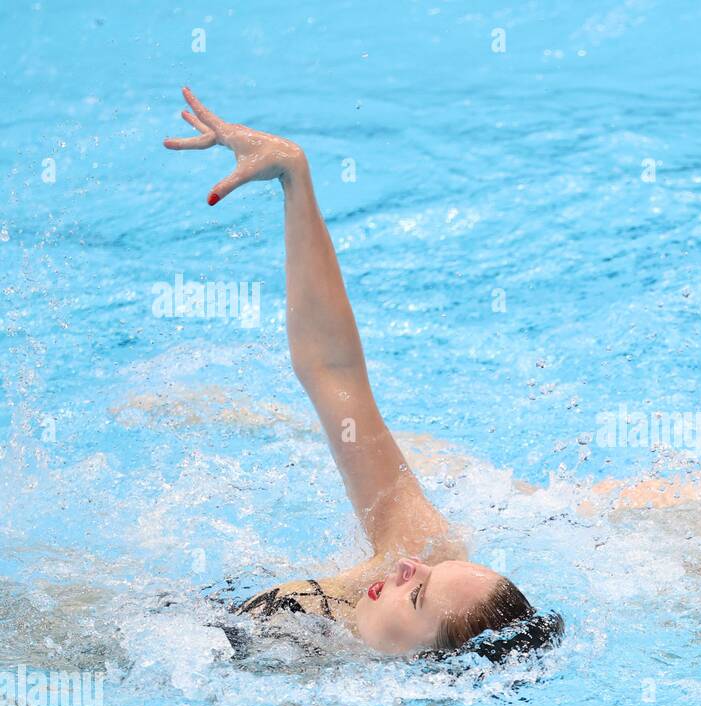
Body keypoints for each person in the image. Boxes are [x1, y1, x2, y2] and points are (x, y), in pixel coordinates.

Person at [164, 88, 559, 657]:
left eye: (418, 595)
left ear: (428, 661)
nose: (408, 566)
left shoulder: (334, 695)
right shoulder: (424, 549)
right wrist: (294, 176)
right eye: (426, 570)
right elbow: (332, 369)